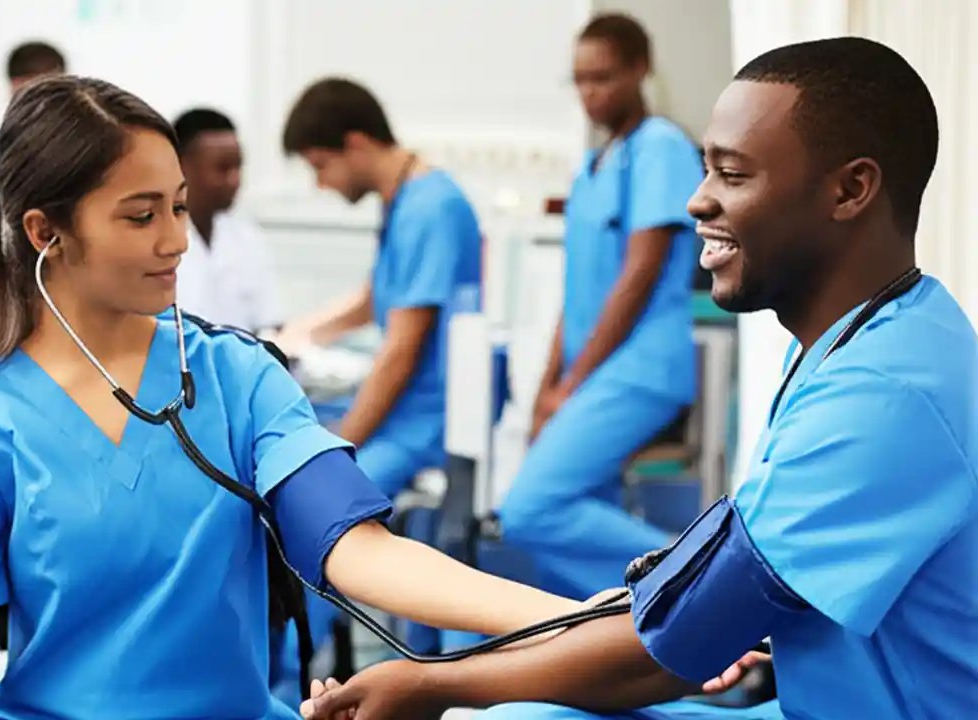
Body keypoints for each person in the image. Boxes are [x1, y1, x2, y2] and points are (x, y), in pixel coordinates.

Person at [302, 36, 976, 720]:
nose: (697, 203)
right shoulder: (868, 341)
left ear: (850, 189)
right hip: (803, 688)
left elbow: (667, 653)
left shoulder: (886, 394)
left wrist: (433, 682)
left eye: (732, 175)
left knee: (513, 671)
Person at [0, 75, 605, 720]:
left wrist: (573, 619)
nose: (176, 239)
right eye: (142, 217)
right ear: (47, 232)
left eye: (178, 206)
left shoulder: (237, 374)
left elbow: (358, 549)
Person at [500, 13, 703, 603]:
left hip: (639, 369)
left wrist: (574, 383)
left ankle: (702, 584)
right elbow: (577, 291)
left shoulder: (660, 147)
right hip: (590, 372)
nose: (590, 94)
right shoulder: (592, 169)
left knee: (529, 510)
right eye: (580, 80)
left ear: (641, 69)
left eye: (604, 78)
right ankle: (639, 645)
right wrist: (547, 387)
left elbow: (638, 275)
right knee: (582, 517)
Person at [278, 77, 483, 500]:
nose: (320, 184)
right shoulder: (403, 199)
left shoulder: (430, 208)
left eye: (320, 166)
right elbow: (375, 299)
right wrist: (296, 335)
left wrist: (333, 452)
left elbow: (401, 350)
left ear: (355, 144)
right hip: (404, 411)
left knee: (315, 499)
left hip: (423, 426)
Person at [172, 107, 283, 332]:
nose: (235, 180)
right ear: (181, 167)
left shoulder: (248, 239)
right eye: (222, 168)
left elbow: (271, 324)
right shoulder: (157, 241)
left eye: (238, 167)